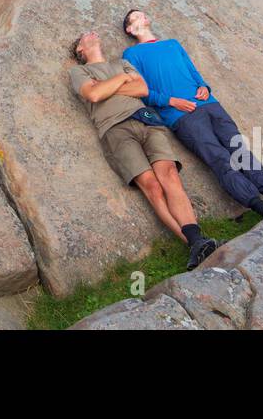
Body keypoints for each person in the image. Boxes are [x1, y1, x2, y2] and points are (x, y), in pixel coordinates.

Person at [121, 9, 263, 218]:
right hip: (181, 114)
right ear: (130, 29)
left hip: (209, 104)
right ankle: (262, 208)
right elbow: (142, 91)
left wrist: (204, 86)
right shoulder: (132, 54)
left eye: (143, 13)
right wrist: (171, 101)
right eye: (135, 17)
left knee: (239, 150)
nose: (143, 16)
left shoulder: (172, 44)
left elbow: (193, 71)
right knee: (219, 159)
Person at [69, 30, 218, 271]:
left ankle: (198, 242)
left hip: (147, 120)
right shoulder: (79, 72)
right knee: (151, 186)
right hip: (115, 129)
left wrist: (108, 86)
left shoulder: (123, 62)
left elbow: (143, 90)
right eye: (86, 36)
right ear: (80, 50)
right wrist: (122, 81)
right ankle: (195, 243)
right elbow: (93, 94)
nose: (92, 34)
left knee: (169, 173)